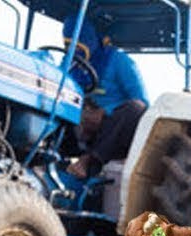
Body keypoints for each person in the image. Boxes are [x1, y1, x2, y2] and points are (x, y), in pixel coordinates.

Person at [61, 16, 149, 179]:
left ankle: (87, 161)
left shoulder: (119, 61)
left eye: (80, 45)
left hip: (113, 125)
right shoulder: (69, 62)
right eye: (69, 45)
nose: (75, 51)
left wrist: (104, 112)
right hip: (79, 119)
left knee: (135, 109)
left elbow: (142, 101)